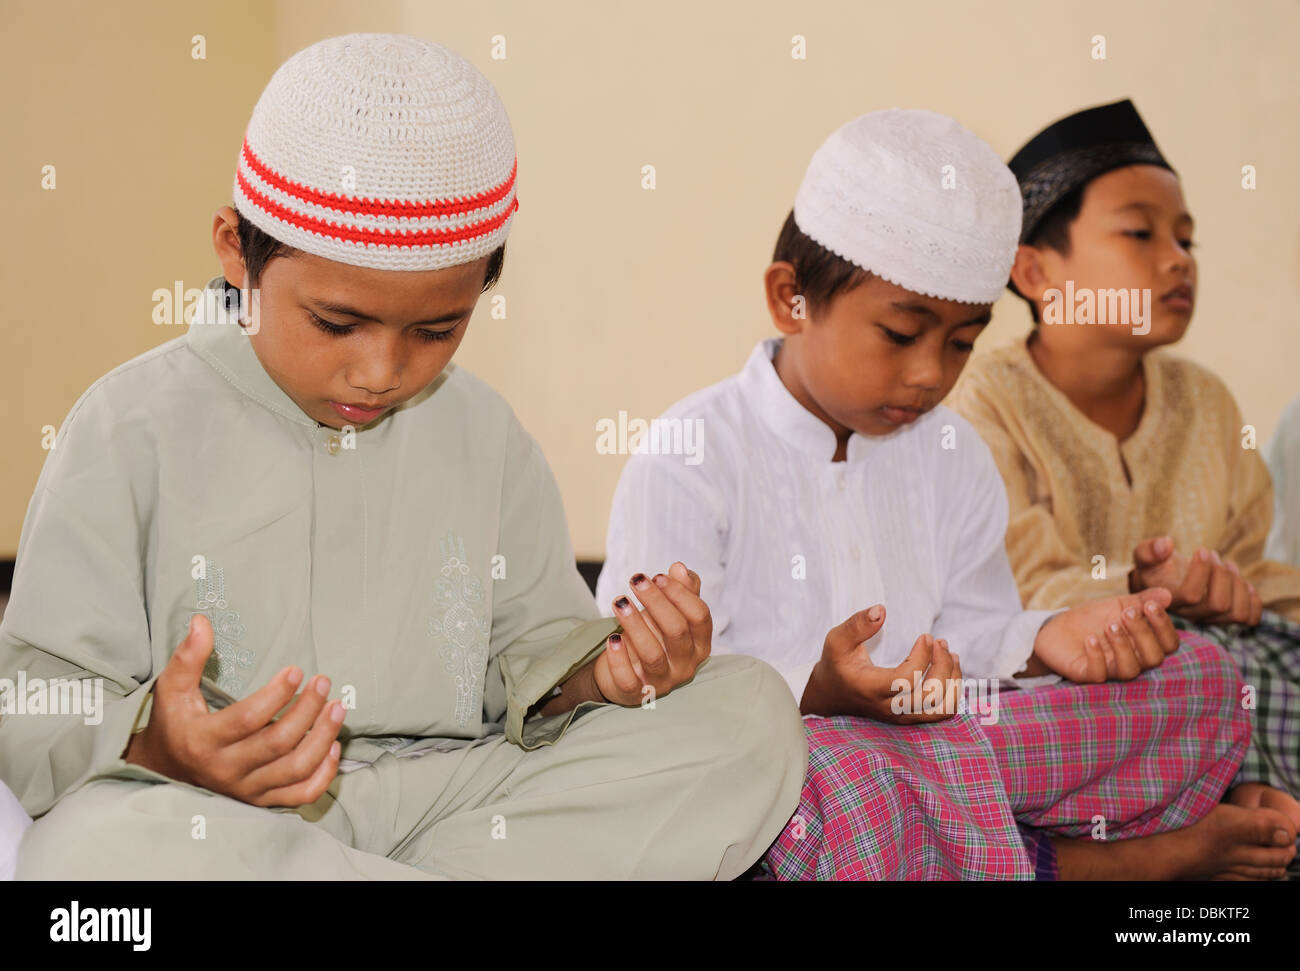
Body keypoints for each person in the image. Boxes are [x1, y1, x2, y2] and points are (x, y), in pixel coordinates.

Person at [0, 33, 806, 880]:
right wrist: (160, 740)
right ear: (237, 249)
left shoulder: (483, 433)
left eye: (435, 330)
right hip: (224, 816)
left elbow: (532, 663)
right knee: (92, 854)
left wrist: (610, 672)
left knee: (747, 713)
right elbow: (33, 702)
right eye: (337, 323)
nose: (381, 372)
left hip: (450, 800)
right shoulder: (129, 427)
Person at [598, 108, 1298, 880]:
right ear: (791, 298)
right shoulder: (690, 450)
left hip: (950, 744)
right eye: (902, 334)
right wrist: (816, 693)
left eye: (962, 342)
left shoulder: (950, 449)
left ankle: (975, 841)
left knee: (1200, 677)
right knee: (832, 777)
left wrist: (1045, 639)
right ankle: (1106, 864)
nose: (932, 373)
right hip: (793, 770)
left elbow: (975, 628)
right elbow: (652, 691)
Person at [948, 99, 1300, 824]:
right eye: (1140, 232)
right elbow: (1013, 595)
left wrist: (1234, 595)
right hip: (1070, 688)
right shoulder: (980, 401)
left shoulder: (1206, 400)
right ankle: (1212, 819)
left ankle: (1242, 809)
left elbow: (1264, 581)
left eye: (1187, 240)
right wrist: (1143, 597)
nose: (1177, 259)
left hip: (1222, 676)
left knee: (1252, 662)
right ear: (1036, 269)